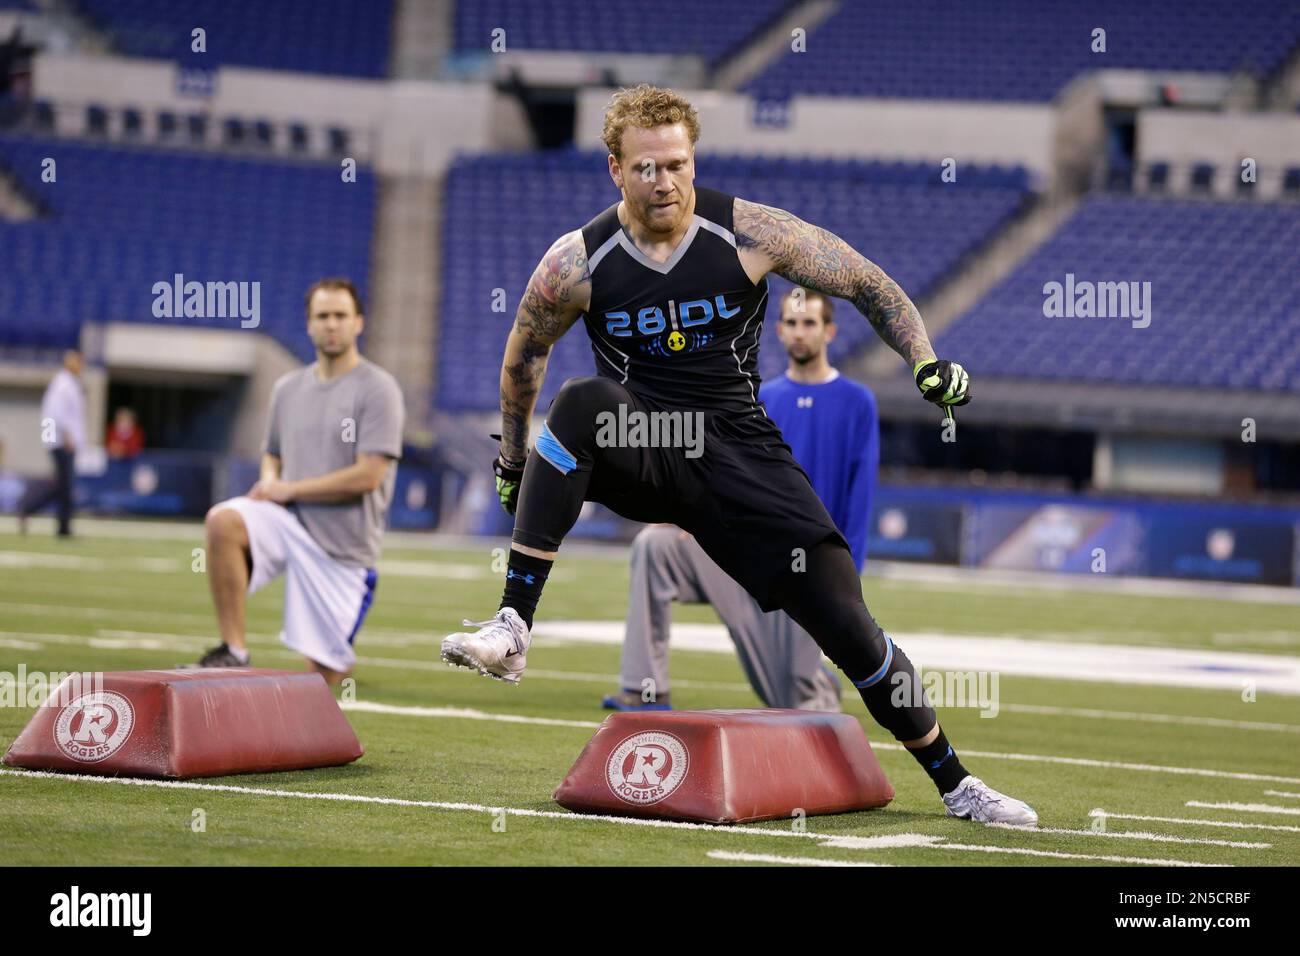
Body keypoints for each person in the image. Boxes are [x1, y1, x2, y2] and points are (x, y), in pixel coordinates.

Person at [441, 85, 1033, 826]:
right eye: (647, 168)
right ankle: (512, 627)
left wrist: (924, 360)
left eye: (677, 165)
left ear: (695, 161)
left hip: (740, 455)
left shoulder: (751, 231)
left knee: (852, 629)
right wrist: (510, 459)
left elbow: (869, 284)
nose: (665, 182)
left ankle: (957, 784)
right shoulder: (575, 262)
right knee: (582, 403)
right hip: (650, 445)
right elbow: (524, 355)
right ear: (614, 170)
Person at [603, 287, 877, 713]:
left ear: (829, 332)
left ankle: (818, 684)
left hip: (807, 567)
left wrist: (846, 587)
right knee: (654, 547)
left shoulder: (857, 401)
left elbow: (858, 497)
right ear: (779, 331)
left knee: (797, 706)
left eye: (809, 323)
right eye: (791, 323)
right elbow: (718, 471)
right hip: (742, 549)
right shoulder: (760, 398)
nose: (799, 332)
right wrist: (679, 517)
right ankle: (644, 690)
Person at [196, 279, 404, 685]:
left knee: (324, 678)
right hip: (290, 522)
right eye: (322, 316)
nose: (331, 325)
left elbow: (369, 475)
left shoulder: (378, 388)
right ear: (308, 325)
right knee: (223, 520)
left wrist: (287, 488)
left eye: (340, 316)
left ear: (358, 323)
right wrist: (270, 481)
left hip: (342, 548)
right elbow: (272, 452)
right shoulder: (287, 388)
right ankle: (233, 650)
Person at [19, 349, 84, 537]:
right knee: (64, 486)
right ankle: (60, 526)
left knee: (62, 486)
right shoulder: (63, 384)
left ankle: (32, 511)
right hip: (62, 442)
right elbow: (55, 414)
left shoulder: (69, 383)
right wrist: (61, 439)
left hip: (62, 442)